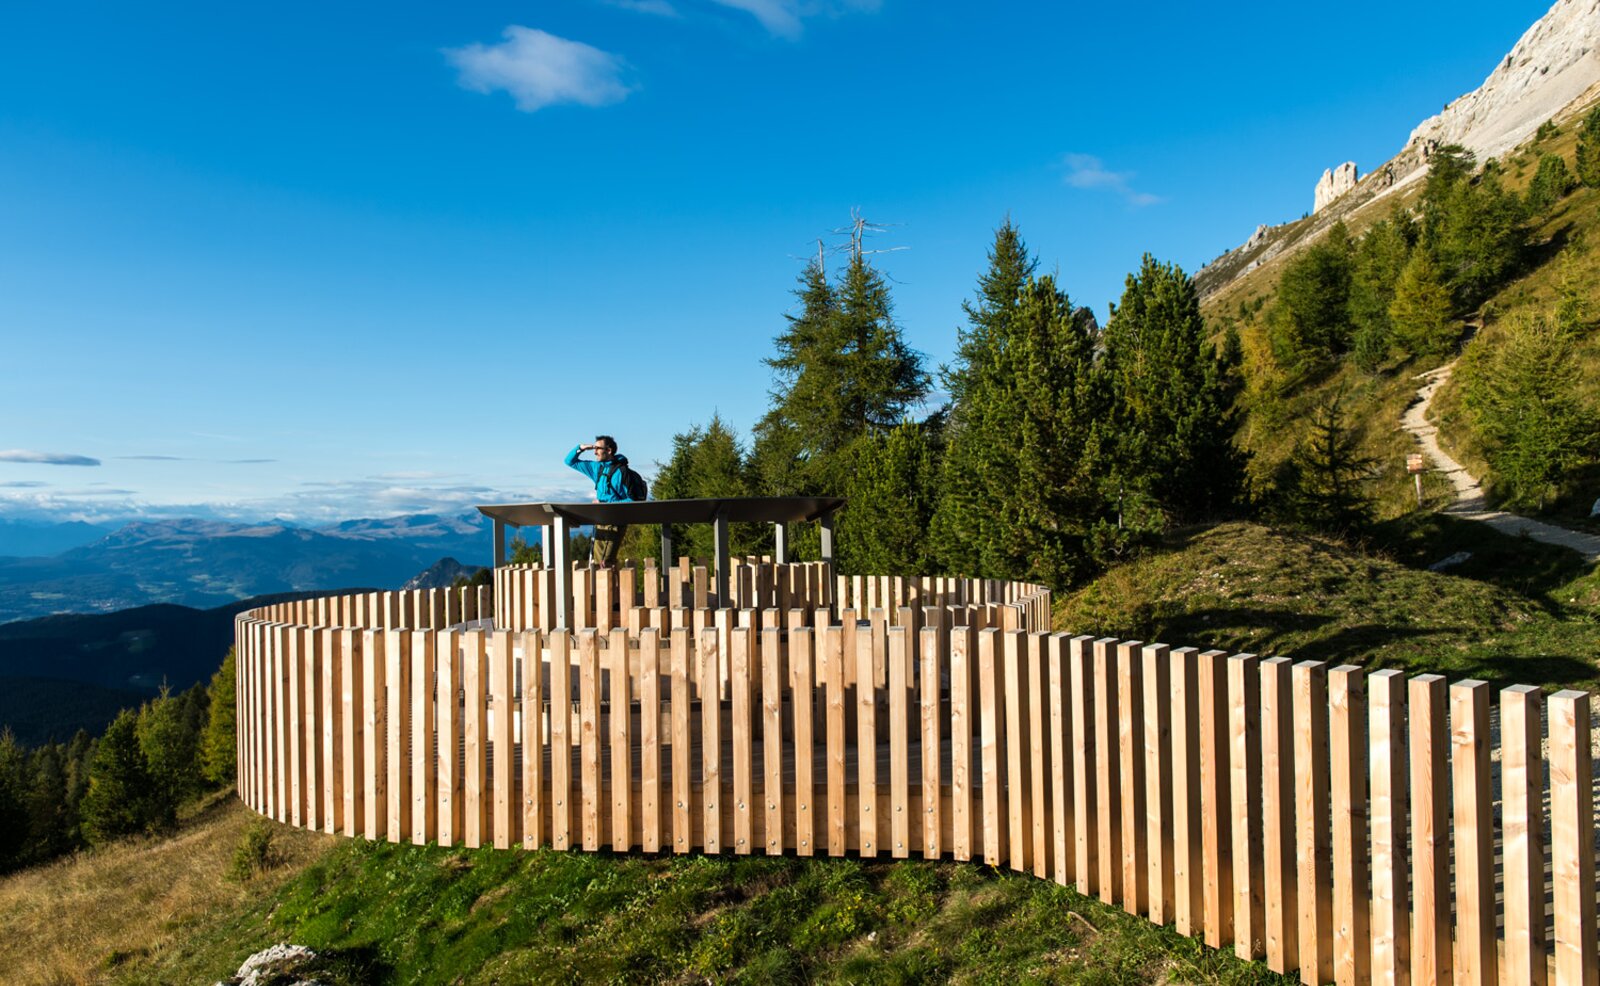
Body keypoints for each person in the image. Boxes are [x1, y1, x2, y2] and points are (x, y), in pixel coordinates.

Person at [564, 435, 635, 567]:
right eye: (594, 448)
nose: (595, 452)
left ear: (609, 451)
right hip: (600, 520)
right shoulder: (597, 468)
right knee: (599, 562)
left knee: (605, 563)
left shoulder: (622, 472)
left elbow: (631, 500)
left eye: (598, 448)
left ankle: (611, 587)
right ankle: (609, 587)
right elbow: (569, 461)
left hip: (615, 521)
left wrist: (605, 505)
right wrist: (581, 448)